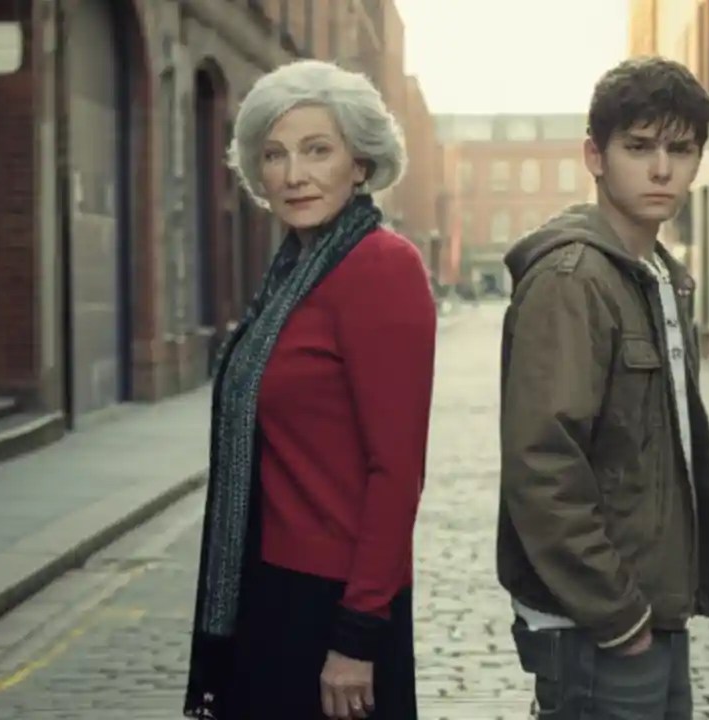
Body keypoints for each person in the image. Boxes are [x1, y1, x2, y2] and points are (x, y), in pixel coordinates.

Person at [184, 59, 436, 720]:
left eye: (317, 150)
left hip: (332, 606)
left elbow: (397, 469)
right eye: (274, 154)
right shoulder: (292, 274)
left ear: (359, 163)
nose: (294, 174)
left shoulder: (381, 266)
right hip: (265, 590)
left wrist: (356, 639)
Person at [496, 56, 709, 719]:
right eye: (639, 148)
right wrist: (619, 616)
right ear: (594, 156)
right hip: (599, 625)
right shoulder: (574, 280)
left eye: (680, 150)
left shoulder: (654, 276)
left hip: (649, 613)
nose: (661, 168)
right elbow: (542, 463)